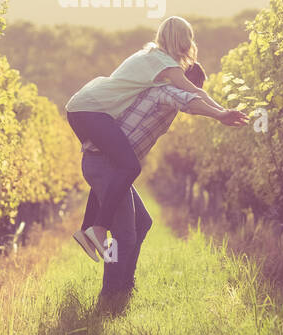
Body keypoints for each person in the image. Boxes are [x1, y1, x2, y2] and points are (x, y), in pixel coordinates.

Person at [77, 61, 241, 309]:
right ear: (180, 81)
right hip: (104, 165)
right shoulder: (162, 92)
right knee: (123, 235)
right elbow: (188, 101)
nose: (190, 92)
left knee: (141, 223)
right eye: (190, 87)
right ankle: (109, 297)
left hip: (109, 165)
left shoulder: (163, 97)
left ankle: (124, 286)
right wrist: (220, 114)